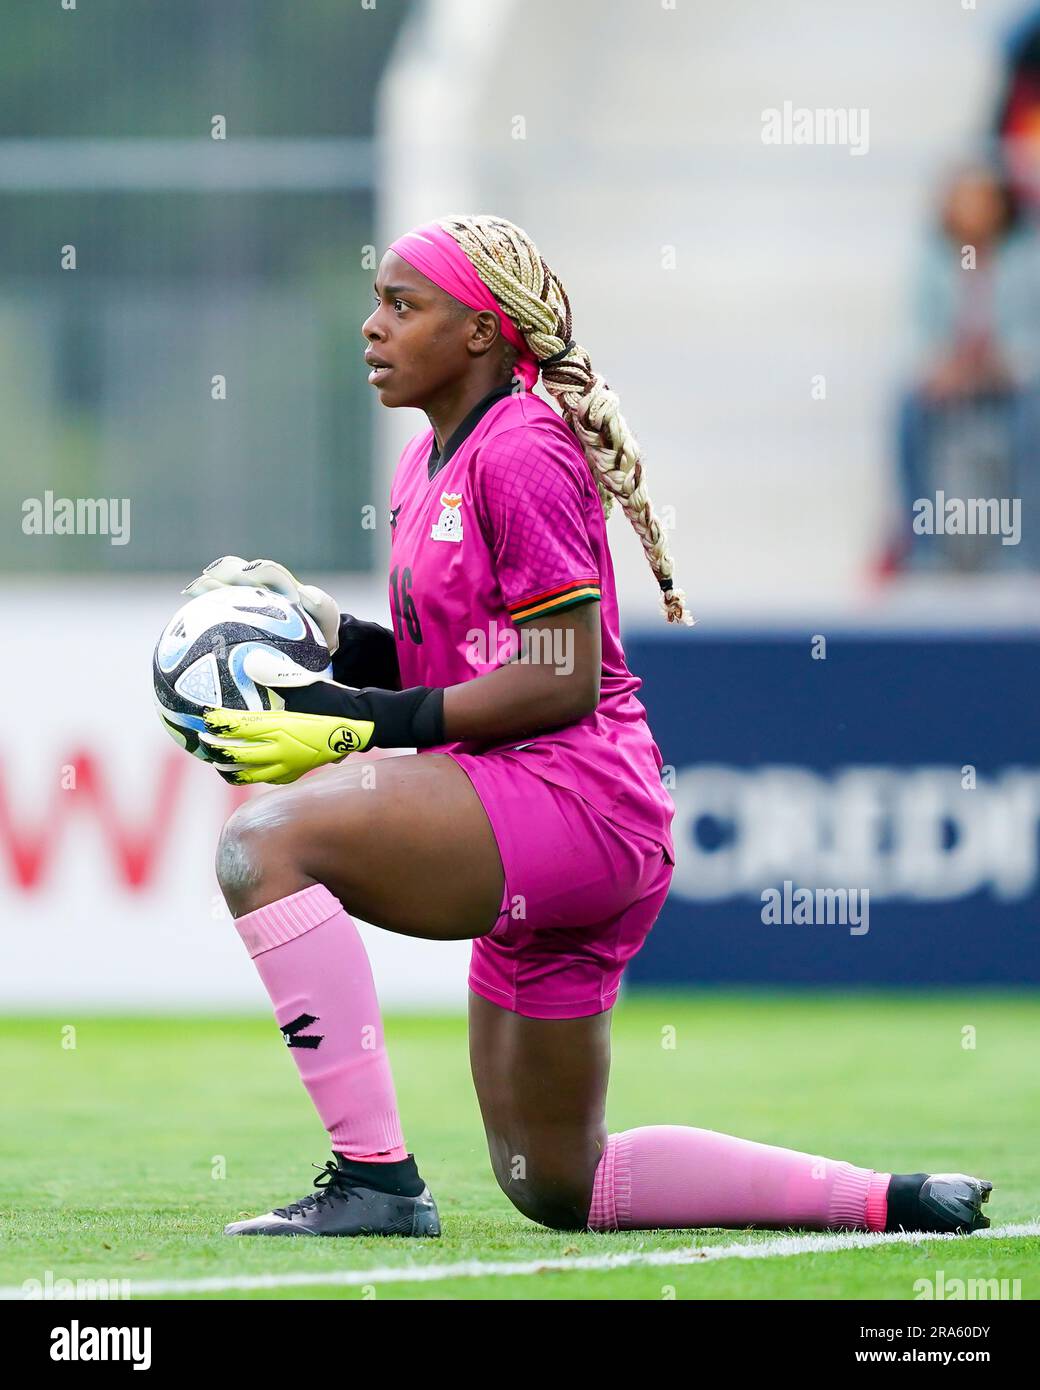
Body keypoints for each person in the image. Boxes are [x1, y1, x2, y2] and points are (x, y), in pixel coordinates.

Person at [187, 215, 992, 1238]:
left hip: (569, 798)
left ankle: (373, 1183)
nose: (371, 328)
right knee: (557, 1180)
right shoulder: (427, 463)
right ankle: (894, 1198)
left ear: (482, 331)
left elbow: (561, 677)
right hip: (552, 817)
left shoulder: (520, 446)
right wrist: (329, 631)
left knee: (265, 845)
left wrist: (355, 725)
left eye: (402, 304)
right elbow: (462, 661)